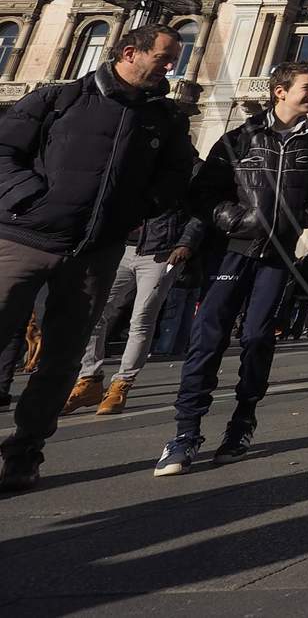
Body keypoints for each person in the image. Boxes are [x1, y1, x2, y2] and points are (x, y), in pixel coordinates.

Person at [0, 24, 195, 493]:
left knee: (63, 359)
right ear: (130, 52)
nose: (172, 66)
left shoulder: (165, 119)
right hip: (23, 238)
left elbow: (178, 176)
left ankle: (24, 452)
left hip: (94, 251)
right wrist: (31, 201)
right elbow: (4, 152)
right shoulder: (58, 99)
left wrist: (133, 210)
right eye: (165, 57)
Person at [156, 60, 308, 477]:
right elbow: (203, 195)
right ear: (280, 91)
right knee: (208, 338)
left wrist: (294, 221)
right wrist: (238, 221)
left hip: (278, 254)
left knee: (257, 336)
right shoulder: (240, 137)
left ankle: (242, 421)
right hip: (232, 250)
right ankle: (186, 432)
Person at [62, 194, 204, 418]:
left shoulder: (185, 168)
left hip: (162, 251)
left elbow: (201, 209)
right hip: (121, 246)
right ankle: (89, 378)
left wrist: (186, 242)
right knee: (92, 312)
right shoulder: (133, 162)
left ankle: (122, 382)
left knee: (142, 317)